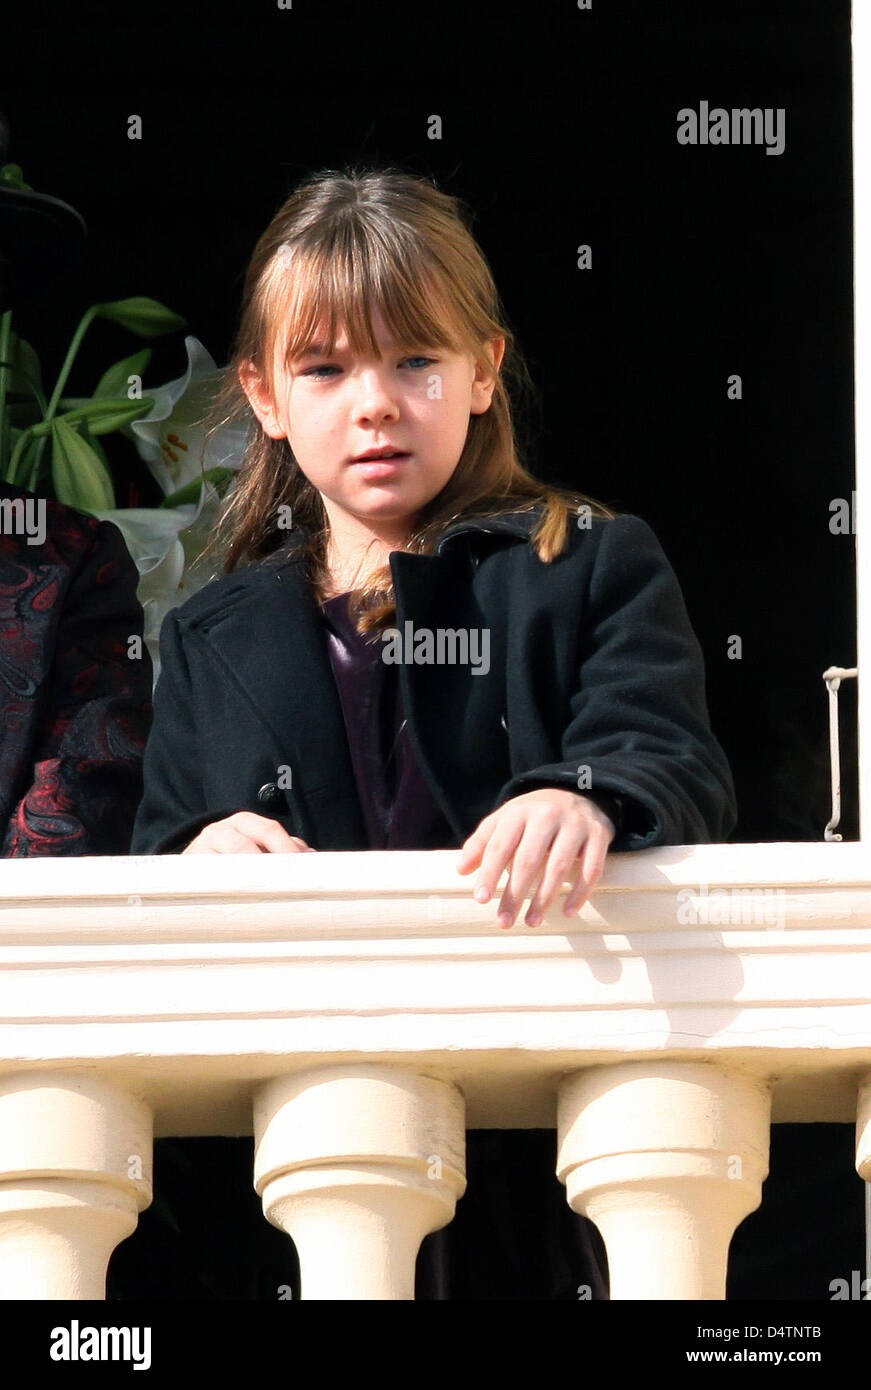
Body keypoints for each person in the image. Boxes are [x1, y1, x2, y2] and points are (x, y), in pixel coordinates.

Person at [125, 165, 737, 1299]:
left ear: (483, 371)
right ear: (262, 395)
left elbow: (674, 755)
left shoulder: (588, 560)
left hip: (549, 1139)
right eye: (325, 366)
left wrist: (580, 790)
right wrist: (196, 852)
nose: (375, 402)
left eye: (415, 360)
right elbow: (159, 838)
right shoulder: (214, 633)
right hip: (313, 1139)